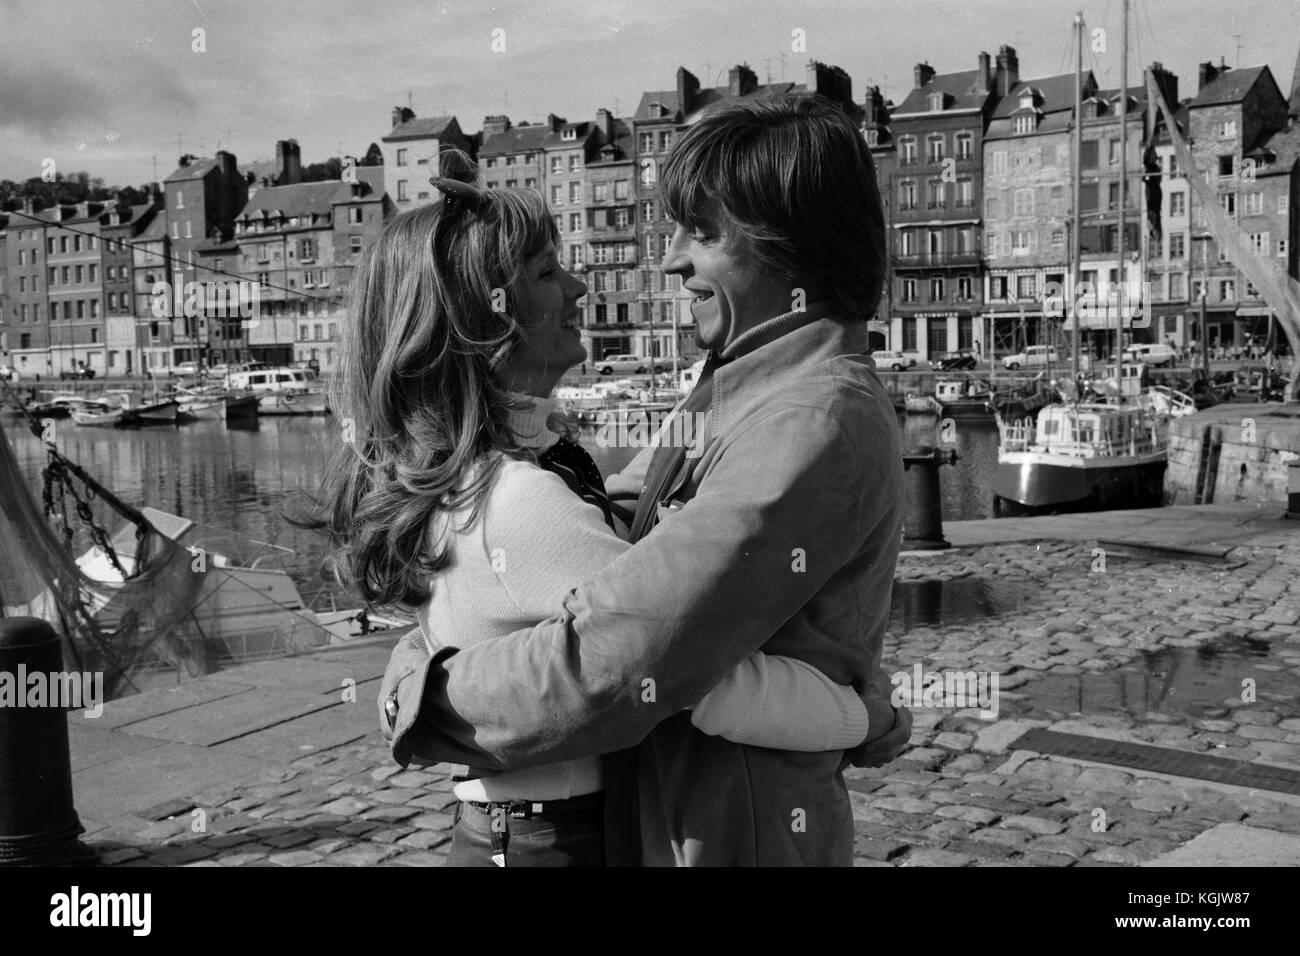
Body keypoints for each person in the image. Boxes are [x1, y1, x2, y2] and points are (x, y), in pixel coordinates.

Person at [305, 149, 895, 866]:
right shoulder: (521, 495)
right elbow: (679, 672)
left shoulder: (495, 477)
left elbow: (633, 611)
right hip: (557, 839)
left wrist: (421, 682)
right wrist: (864, 716)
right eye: (548, 272)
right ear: (483, 319)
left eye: (701, 232)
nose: (583, 285)